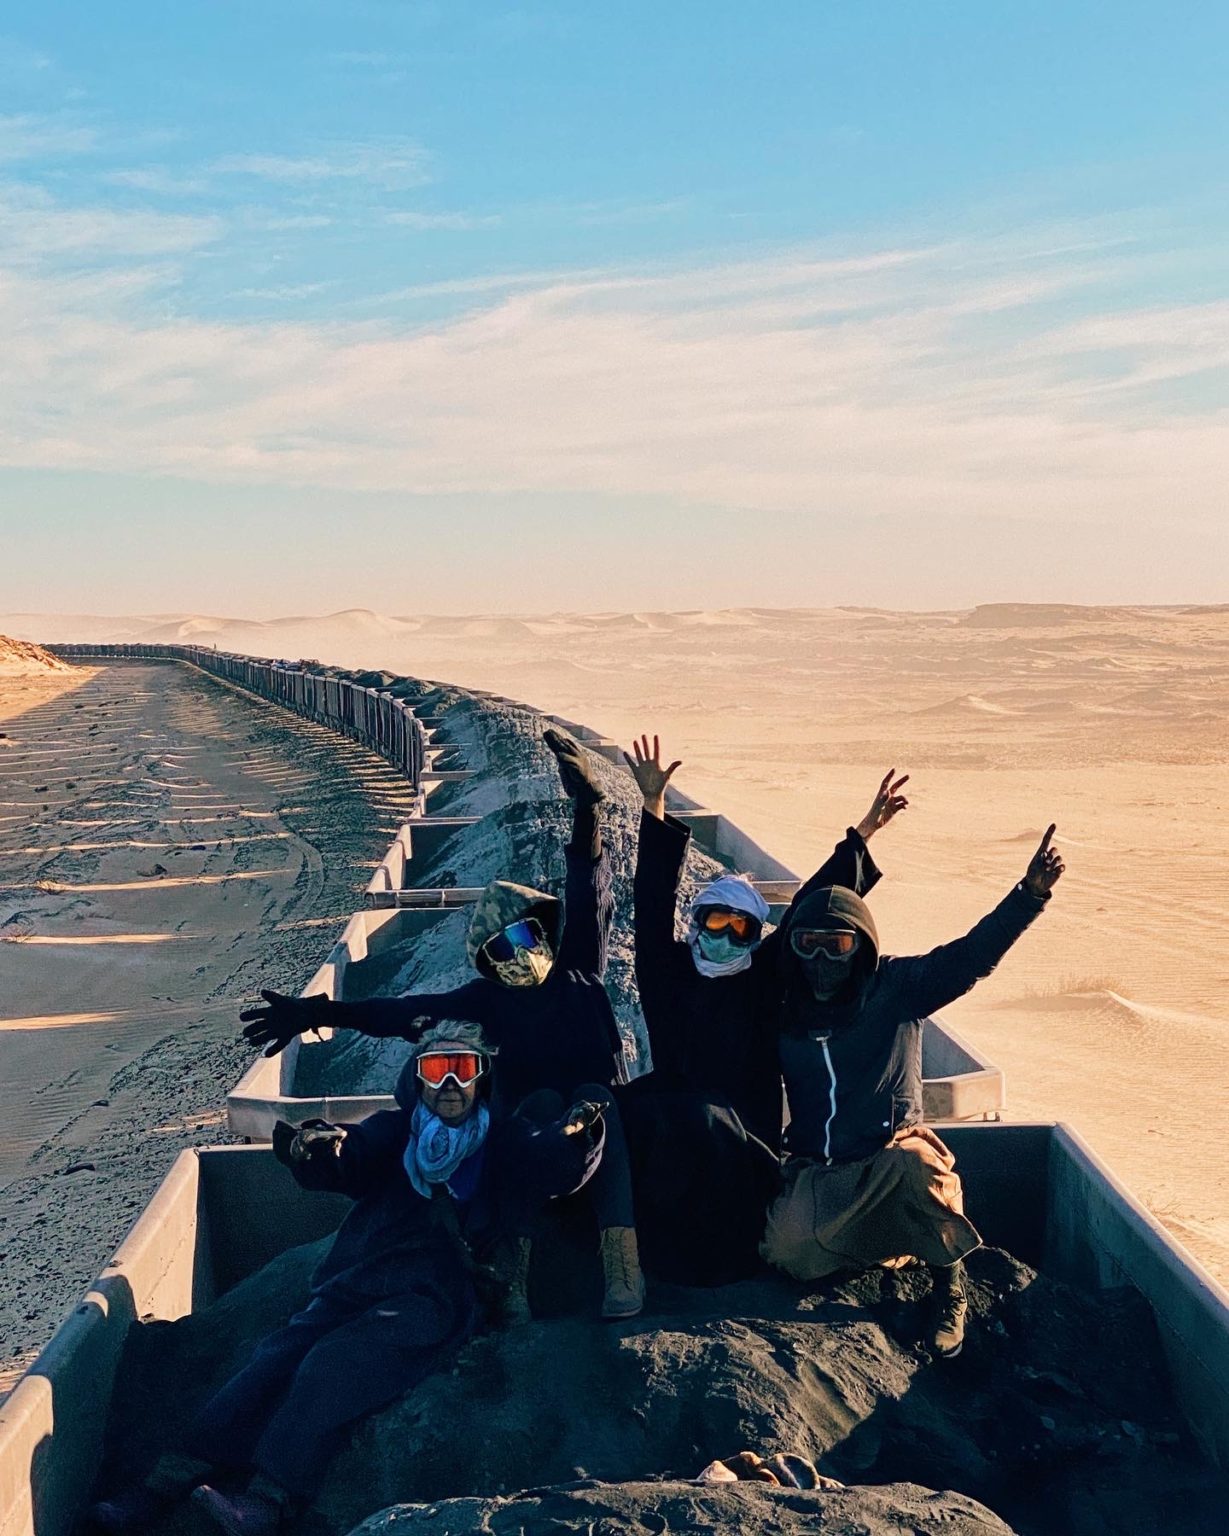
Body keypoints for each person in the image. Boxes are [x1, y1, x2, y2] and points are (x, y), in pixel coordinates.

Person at [239, 728, 644, 1320]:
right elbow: (399, 1011)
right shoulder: (486, 1002)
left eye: (523, 938)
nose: (515, 957)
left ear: (543, 935)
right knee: (540, 1105)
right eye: (498, 951)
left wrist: (589, 812)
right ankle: (514, 1269)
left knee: (593, 1099)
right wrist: (320, 1012)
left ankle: (622, 1263)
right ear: (486, 963)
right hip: (528, 1139)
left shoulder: (580, 967)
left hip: (597, 1127)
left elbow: (589, 888)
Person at [89, 1023, 501, 1536]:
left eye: (463, 1069)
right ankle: (163, 1484)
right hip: (358, 1280)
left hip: (430, 1297)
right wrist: (322, 1148)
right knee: (273, 1358)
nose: (449, 1085)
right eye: (435, 1070)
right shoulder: (401, 1131)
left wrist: (581, 1144)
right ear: (417, 1080)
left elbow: (549, 1168)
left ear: (482, 1078)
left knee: (333, 1365)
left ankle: (269, 1498)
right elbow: (356, 1152)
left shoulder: (496, 1144)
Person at [760, 826, 1066, 1358]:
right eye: (809, 944)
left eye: (838, 945)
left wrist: (1028, 896)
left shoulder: (895, 990)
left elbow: (970, 958)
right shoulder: (782, 1009)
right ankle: (891, 1245)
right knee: (789, 1253)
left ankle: (950, 1282)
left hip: (889, 1160)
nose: (823, 960)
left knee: (918, 1168)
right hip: (822, 1168)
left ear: (861, 946)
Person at [618, 735, 908, 1284]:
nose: (725, 937)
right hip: (673, 1135)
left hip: (743, 1148)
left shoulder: (762, 980)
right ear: (696, 922)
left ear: (756, 936)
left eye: (741, 927)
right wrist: (653, 806)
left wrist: (864, 835)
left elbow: (811, 904)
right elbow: (649, 900)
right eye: (715, 921)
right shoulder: (667, 970)